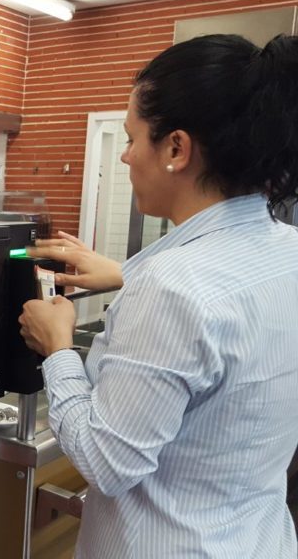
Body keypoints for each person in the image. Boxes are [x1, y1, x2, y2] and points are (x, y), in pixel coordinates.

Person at [18, 33, 298, 558]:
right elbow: (224, 312)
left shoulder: (174, 286)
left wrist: (57, 350)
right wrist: (127, 274)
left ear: (176, 148)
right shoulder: (287, 252)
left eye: (131, 138)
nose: (124, 157)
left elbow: (106, 462)